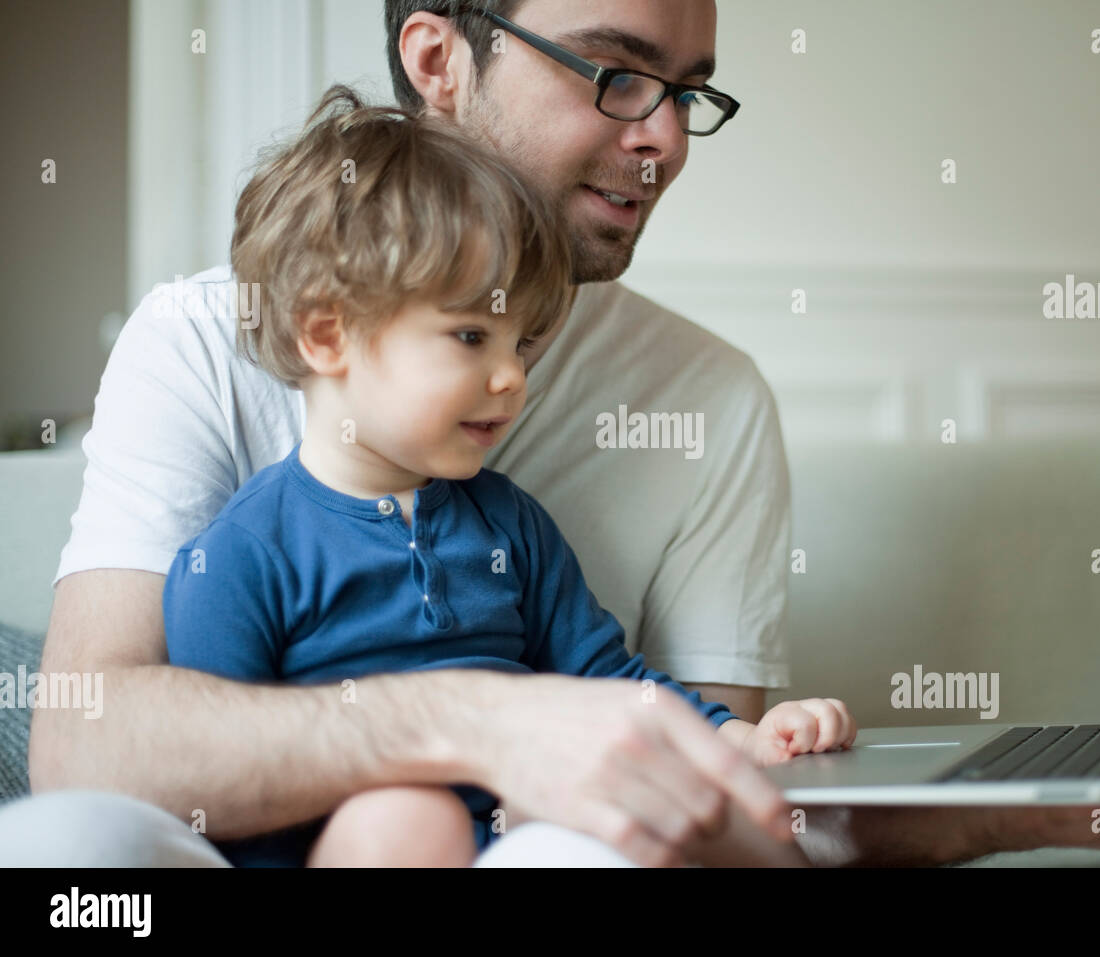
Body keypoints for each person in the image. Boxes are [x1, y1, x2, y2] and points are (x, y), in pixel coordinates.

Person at [8, 0, 1100, 869]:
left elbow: (700, 809)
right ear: (440, 60)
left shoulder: (698, 408)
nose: (662, 135)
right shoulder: (199, 347)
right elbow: (98, 737)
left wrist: (1020, 811)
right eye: (613, 70)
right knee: (65, 846)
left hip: (518, 846)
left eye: (689, 90)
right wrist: (470, 724)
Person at [162, 86, 857, 867]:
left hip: (517, 838)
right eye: (470, 336)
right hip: (360, 846)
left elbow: (604, 676)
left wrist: (743, 736)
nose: (510, 379)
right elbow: (221, 781)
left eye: (520, 344)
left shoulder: (509, 523)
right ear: (327, 333)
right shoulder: (240, 555)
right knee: (405, 820)